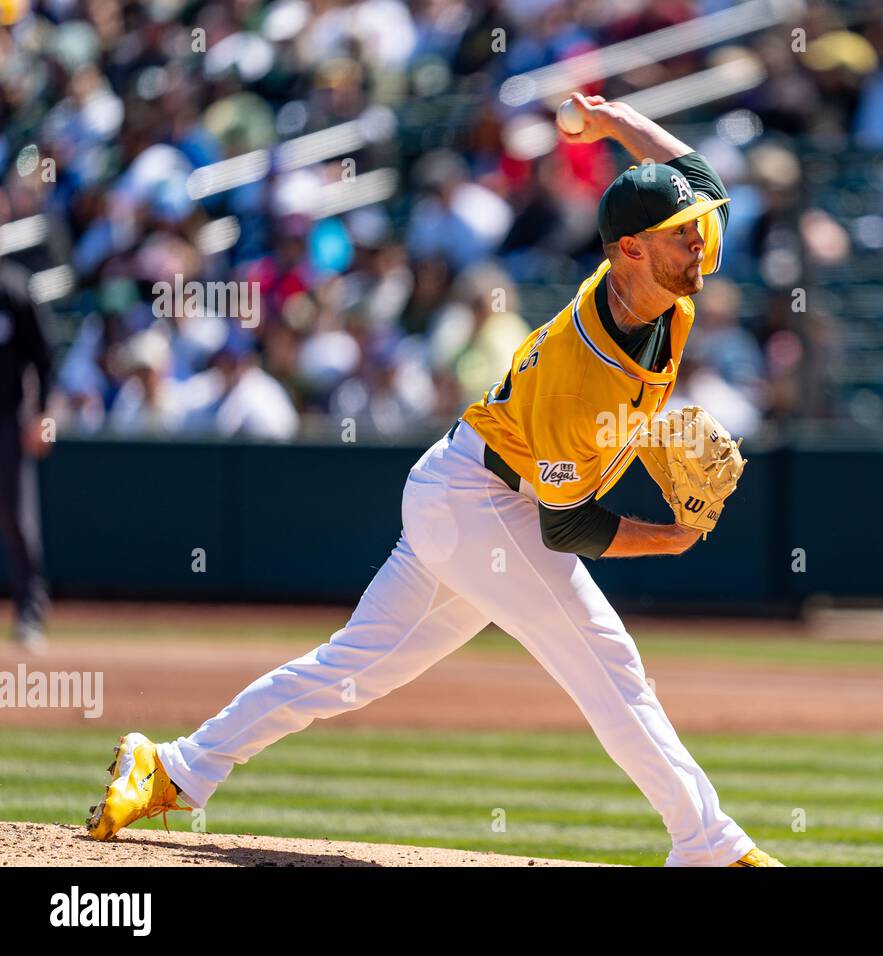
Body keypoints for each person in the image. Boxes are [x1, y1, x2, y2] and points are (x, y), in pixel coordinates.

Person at [85, 92, 782, 868]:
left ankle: (174, 767)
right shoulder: (579, 375)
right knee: (606, 664)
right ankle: (709, 845)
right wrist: (672, 538)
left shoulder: (667, 268)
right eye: (678, 235)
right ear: (628, 251)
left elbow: (691, 168)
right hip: (483, 504)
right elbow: (567, 527)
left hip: (460, 487)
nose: (699, 243)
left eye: (695, 228)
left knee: (349, 671)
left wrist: (615, 120)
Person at [0, 255, 53, 653]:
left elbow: (44, 355)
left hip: (8, 420)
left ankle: (30, 613)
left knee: (19, 519)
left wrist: (42, 415)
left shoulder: (14, 285)